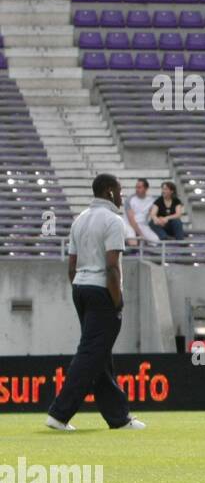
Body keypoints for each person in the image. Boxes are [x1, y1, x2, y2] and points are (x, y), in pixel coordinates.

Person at [44, 174, 146, 432]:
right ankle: (59, 413)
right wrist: (117, 299)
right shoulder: (113, 221)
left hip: (80, 288)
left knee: (99, 355)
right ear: (110, 191)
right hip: (102, 291)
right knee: (91, 354)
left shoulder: (79, 220)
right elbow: (112, 268)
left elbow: (71, 266)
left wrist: (80, 288)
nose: (122, 196)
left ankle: (119, 418)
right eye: (120, 190)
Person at [124, 177, 159, 244]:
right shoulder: (130, 199)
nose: (137, 189)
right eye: (136, 187)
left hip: (143, 225)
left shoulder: (151, 200)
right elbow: (131, 221)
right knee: (133, 242)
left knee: (155, 241)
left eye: (139, 187)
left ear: (146, 189)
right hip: (129, 224)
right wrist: (141, 234)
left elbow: (154, 214)